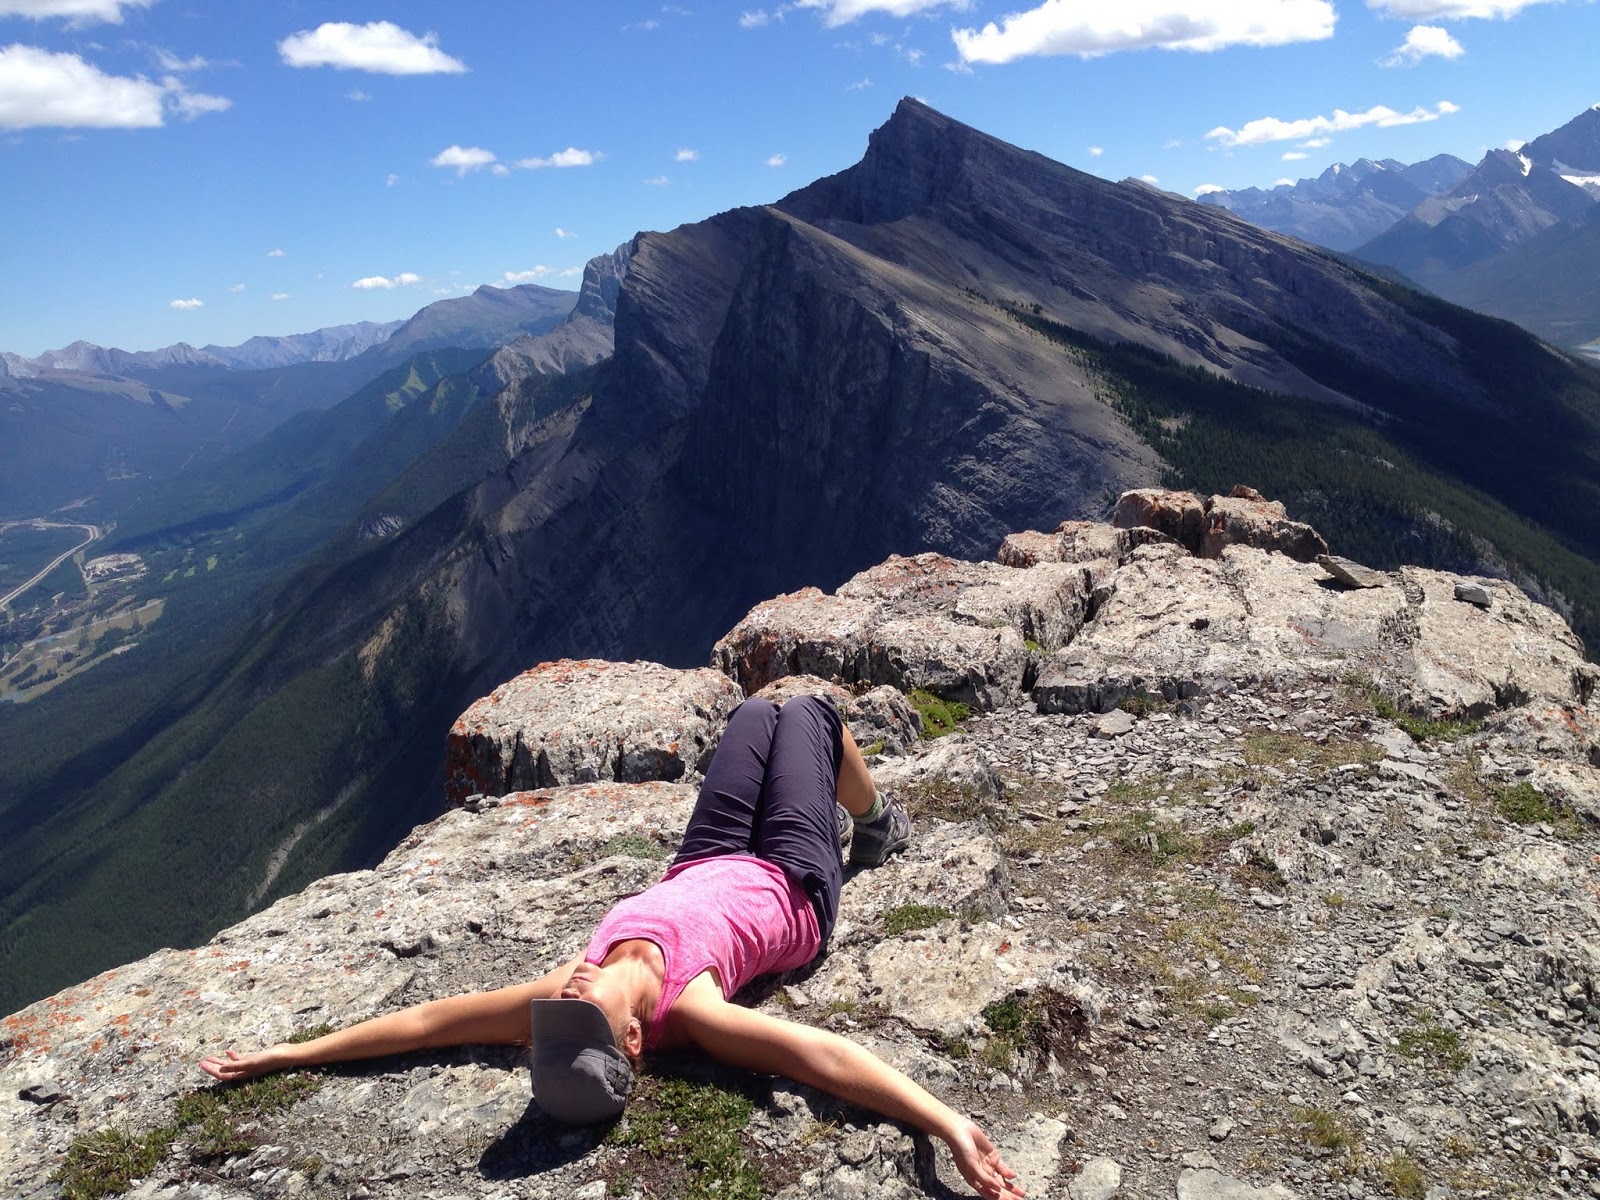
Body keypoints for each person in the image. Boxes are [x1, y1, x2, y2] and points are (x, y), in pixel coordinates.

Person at [200, 695, 1024, 1200]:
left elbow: (428, 1023)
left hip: (703, 861)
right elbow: (824, 1058)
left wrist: (292, 1053)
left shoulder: (578, 982)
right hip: (790, 879)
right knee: (808, 714)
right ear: (633, 1038)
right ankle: (878, 825)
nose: (563, 1000)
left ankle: (842, 796)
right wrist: (950, 1126)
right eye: (578, 1016)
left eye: (551, 1021)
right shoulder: (694, 1010)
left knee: (750, 716)